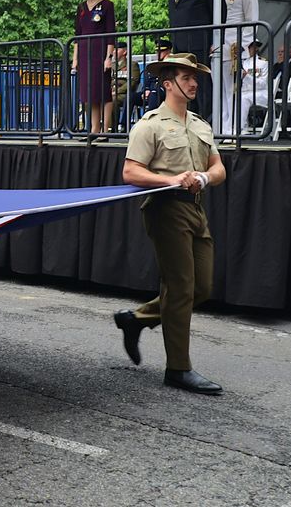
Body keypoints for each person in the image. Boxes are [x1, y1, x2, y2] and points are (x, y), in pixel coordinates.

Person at [114, 52, 227, 396]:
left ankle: (137, 319)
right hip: (165, 208)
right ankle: (178, 368)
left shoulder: (200, 124)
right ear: (167, 83)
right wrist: (172, 180)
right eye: (186, 77)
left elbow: (219, 168)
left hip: (195, 208)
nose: (193, 83)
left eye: (195, 78)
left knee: (201, 288)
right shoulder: (149, 124)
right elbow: (130, 172)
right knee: (180, 287)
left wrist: (204, 179)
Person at [168, 0, 224, 122]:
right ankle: (186, 119)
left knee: (200, 82)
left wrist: (216, 40)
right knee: (182, 81)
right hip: (180, 42)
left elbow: (219, 9)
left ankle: (205, 121)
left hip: (200, 40)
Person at [72, 0, 117, 137]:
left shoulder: (107, 5)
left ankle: (105, 130)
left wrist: (108, 57)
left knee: (103, 92)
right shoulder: (81, 7)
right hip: (84, 52)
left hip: (100, 51)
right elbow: (77, 34)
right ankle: (94, 129)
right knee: (89, 93)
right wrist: (75, 59)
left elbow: (111, 32)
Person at [217, 0, 258, 136]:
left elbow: (251, 19)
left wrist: (244, 46)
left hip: (235, 46)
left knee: (233, 91)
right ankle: (221, 129)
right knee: (219, 91)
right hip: (217, 47)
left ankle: (234, 129)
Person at [238, 41, 271, 130]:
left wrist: (247, 76)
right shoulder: (242, 63)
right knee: (234, 98)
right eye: (250, 47)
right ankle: (231, 128)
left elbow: (263, 84)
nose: (252, 49)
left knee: (243, 98)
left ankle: (240, 129)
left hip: (260, 93)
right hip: (244, 92)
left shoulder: (263, 63)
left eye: (254, 47)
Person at [111, 41, 140, 131]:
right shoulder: (111, 65)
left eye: (118, 49)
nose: (114, 52)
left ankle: (114, 128)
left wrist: (117, 91)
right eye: (114, 49)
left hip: (124, 94)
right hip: (112, 92)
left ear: (125, 52)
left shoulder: (132, 64)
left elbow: (133, 81)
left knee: (112, 99)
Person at [139, 39, 172, 111]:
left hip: (163, 91)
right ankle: (122, 122)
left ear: (169, 51)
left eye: (161, 51)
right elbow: (147, 81)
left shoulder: (171, 64)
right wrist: (146, 90)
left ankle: (150, 119)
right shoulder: (153, 66)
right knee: (131, 96)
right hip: (150, 92)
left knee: (153, 95)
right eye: (157, 51)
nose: (158, 53)